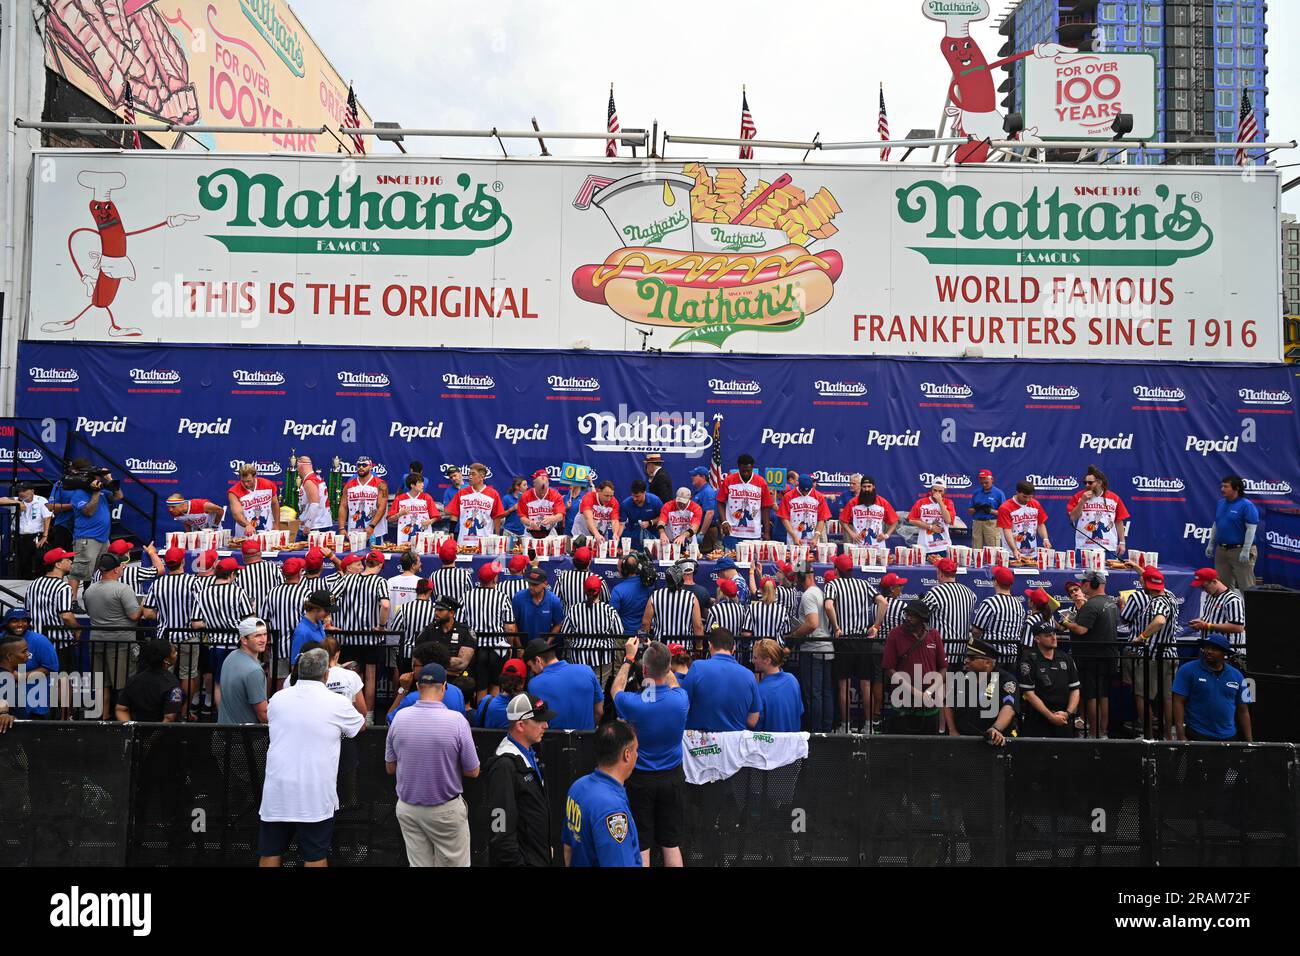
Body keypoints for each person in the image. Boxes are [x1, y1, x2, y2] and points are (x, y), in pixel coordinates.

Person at [258, 648, 365, 867]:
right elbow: (360, 725)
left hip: (278, 790)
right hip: (314, 793)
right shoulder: (337, 703)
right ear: (326, 675)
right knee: (315, 856)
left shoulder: (278, 699)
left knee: (270, 852)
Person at [385, 662, 480, 867]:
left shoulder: (399, 718)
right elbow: (473, 771)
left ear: (418, 686)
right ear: (444, 687)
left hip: (408, 808)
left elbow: (390, 767)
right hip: (444, 809)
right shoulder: (457, 721)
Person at [612, 639, 689, 867]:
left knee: (642, 844)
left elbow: (616, 689)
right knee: (671, 844)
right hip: (672, 778)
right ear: (668, 668)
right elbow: (673, 683)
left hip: (640, 779)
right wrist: (661, 656)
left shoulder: (633, 703)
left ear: (644, 670)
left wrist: (629, 658)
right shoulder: (680, 700)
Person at [485, 692, 555, 866]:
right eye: (539, 721)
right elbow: (500, 832)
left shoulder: (531, 753)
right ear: (521, 725)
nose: (546, 725)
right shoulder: (504, 766)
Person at [563, 720, 642, 867]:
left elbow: (568, 849)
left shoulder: (578, 787)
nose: (637, 755)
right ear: (627, 754)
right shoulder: (611, 809)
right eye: (636, 750)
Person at [1120, 566, 1181, 739]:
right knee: (1168, 697)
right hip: (1170, 654)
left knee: (1142, 695)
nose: (1140, 584)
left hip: (1152, 657)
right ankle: (1169, 736)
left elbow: (1160, 621)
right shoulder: (1171, 597)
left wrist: (1141, 636)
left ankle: (1149, 737)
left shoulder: (1157, 602)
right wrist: (1139, 569)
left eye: (1142, 582)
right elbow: (1151, 579)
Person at [1058, 570, 1118, 737]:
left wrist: (1066, 623)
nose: (1082, 586)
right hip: (1107, 656)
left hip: (1092, 658)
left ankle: (1093, 733)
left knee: (1091, 696)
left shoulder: (1091, 605)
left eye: (1085, 583)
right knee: (1103, 695)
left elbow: (1081, 629)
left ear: (1093, 584)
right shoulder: (1110, 602)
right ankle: (1102, 732)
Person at [824, 554, 879, 733]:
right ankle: (869, 725)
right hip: (863, 640)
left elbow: (829, 606)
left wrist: (836, 627)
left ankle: (845, 726)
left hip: (845, 640)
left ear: (836, 570)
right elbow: (883, 602)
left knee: (844, 684)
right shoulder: (863, 584)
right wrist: (875, 626)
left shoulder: (833, 584)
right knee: (865, 684)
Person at [84, 552, 143, 709]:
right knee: (123, 684)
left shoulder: (89, 590)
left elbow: (90, 613)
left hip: (96, 641)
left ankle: (102, 717)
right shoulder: (123, 589)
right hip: (120, 643)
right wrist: (144, 603)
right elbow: (134, 615)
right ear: (116, 570)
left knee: (101, 683)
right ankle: (121, 719)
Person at [881, 601, 949, 735]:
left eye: (913, 616)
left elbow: (943, 667)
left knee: (929, 749)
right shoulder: (895, 634)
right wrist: (915, 693)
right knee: (901, 749)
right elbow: (889, 668)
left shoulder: (933, 634)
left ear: (922, 618)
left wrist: (929, 692)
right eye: (907, 614)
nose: (908, 618)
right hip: (903, 702)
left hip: (929, 704)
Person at [1172, 634, 1253, 742]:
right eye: (1206, 647)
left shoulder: (1238, 675)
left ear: (1224, 653)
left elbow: (1243, 710)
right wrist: (1181, 735)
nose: (1209, 651)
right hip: (1197, 734)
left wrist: (1250, 741)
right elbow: (1178, 702)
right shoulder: (1186, 670)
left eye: (1214, 649)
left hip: (1229, 736)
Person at [679, 627, 761, 730]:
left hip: (702, 743)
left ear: (710, 645)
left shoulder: (697, 668)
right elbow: (752, 721)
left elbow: (682, 706)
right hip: (734, 742)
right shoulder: (749, 675)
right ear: (734, 648)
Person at [944, 637, 1018, 745]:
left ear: (987, 663)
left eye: (972, 658)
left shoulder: (1005, 680)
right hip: (962, 741)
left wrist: (995, 729)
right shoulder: (962, 676)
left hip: (990, 741)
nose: (966, 660)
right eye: (966, 656)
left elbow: (1009, 707)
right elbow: (948, 704)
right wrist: (952, 731)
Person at [68, 469, 123, 607]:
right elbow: (89, 511)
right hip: (86, 538)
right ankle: (72, 601)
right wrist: (96, 492)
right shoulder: (78, 494)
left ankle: (90, 595)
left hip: (103, 538)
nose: (99, 481)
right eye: (97, 478)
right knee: (79, 570)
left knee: (99, 569)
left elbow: (119, 496)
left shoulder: (103, 491)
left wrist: (110, 480)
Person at [1018, 620, 1081, 738]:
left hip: (1063, 718)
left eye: (1054, 634)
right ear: (1037, 639)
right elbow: (1029, 694)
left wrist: (1068, 713)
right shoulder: (1029, 660)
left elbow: (1075, 689)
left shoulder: (1065, 658)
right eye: (1048, 635)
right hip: (1038, 720)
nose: (1053, 638)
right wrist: (1051, 717)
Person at [461, 563, 516, 697]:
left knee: (480, 687)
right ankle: (491, 715)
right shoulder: (502, 597)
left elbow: (461, 623)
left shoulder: (467, 596)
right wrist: (510, 646)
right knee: (496, 686)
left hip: (476, 648)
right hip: (497, 648)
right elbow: (509, 627)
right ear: (494, 579)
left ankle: (480, 715)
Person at [524, 637, 603, 730]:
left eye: (531, 666)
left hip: (552, 740)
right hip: (586, 738)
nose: (532, 670)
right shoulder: (587, 671)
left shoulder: (534, 684)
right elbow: (599, 711)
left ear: (538, 660)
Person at [561, 574, 625, 682]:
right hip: (603, 657)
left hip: (579, 657)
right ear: (600, 591)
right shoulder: (609, 610)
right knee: (599, 691)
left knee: (581, 689)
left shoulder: (574, 609)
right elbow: (619, 633)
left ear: (584, 590)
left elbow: (565, 632)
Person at [3, 607, 59, 718]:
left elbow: (51, 668)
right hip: (6, 699)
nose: (20, 624)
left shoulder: (40, 641)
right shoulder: (2, 641)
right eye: (15, 621)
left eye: (24, 620)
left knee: (35, 733)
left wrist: (21, 676)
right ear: (7, 623)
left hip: (34, 701)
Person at [390, 642, 467, 721]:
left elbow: (390, 720)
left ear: (427, 667)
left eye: (415, 665)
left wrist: (403, 690)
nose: (412, 669)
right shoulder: (457, 692)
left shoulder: (414, 698)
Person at [1207, 475, 1260, 590]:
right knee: (1222, 588)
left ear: (1236, 488)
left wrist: (1246, 550)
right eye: (1222, 486)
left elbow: (1251, 529)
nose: (1222, 489)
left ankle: (1251, 608)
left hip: (1240, 551)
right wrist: (1211, 544)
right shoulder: (1220, 503)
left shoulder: (1247, 505)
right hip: (1222, 551)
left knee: (1247, 588)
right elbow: (1216, 524)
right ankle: (1228, 608)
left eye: (1226, 486)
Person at [921, 557, 977, 664]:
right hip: (961, 654)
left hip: (941, 653)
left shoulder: (936, 592)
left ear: (940, 574)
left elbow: (919, 612)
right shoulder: (969, 592)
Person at [115, 638, 184, 722]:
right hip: (161, 732)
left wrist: (130, 730)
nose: (176, 654)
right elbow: (169, 717)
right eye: (173, 652)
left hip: (137, 731)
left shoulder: (134, 680)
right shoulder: (172, 684)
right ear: (166, 660)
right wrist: (155, 734)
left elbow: (121, 709)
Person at [217, 617, 269, 725]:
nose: (263, 639)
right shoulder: (254, 671)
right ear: (244, 640)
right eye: (257, 636)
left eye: (265, 634)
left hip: (223, 732)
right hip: (244, 737)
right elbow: (263, 715)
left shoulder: (231, 656)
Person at [970, 566, 1027, 661]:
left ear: (995, 582)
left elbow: (976, 631)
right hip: (1012, 657)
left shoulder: (990, 603)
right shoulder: (1019, 605)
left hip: (992, 658)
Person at [1068, 467, 1129, 556]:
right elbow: (1073, 517)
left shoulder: (1114, 498)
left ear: (1100, 482)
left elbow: (1119, 521)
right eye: (1085, 482)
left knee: (1109, 570)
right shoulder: (1078, 496)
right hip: (1085, 548)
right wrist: (1082, 501)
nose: (1087, 485)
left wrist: (1122, 542)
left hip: (1108, 548)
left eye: (1090, 483)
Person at [717, 453, 774, 546]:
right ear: (739, 467)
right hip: (732, 532)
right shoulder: (729, 480)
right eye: (743, 471)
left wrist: (767, 532)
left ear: (752, 467)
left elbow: (766, 508)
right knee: (731, 558)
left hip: (754, 533)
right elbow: (720, 502)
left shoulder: (761, 482)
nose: (746, 473)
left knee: (751, 560)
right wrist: (724, 521)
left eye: (748, 471)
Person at [1187, 567, 1247, 654]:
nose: (1203, 590)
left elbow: (1238, 627)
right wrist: (1201, 621)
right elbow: (1212, 618)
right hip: (1209, 650)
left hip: (1226, 653)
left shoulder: (1232, 600)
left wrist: (1207, 625)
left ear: (1214, 581)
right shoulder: (1210, 596)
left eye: (1204, 586)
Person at [445, 463, 505, 545]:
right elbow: (454, 514)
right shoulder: (461, 493)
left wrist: (497, 536)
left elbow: (497, 517)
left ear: (482, 477)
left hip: (484, 542)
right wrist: (451, 531)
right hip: (464, 542)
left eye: (473, 474)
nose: (470, 477)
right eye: (469, 474)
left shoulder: (493, 494)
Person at [640, 563, 703, 641]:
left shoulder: (655, 595)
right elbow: (698, 626)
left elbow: (645, 623)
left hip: (660, 646)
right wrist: (699, 646)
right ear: (681, 579)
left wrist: (645, 641)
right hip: (683, 647)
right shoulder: (691, 597)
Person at [0, 483, 51, 578]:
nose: (21, 493)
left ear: (32, 491)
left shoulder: (40, 500)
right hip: (20, 537)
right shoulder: (16, 500)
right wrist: (17, 503)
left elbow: (47, 518)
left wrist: (45, 536)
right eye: (19, 491)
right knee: (22, 563)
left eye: (24, 490)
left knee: (40, 561)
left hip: (36, 536)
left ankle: (40, 581)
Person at [753, 639, 803, 732]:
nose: (752, 661)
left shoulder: (760, 690)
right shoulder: (792, 680)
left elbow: (756, 725)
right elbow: (799, 711)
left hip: (771, 743)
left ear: (767, 660)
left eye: (755, 658)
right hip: (793, 742)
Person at [339, 456, 390, 546]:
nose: (361, 467)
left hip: (375, 531)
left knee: (374, 558)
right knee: (354, 558)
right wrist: (341, 528)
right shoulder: (349, 485)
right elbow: (343, 507)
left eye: (364, 465)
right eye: (359, 465)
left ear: (370, 467)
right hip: (355, 532)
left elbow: (382, 507)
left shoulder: (381, 484)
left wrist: (372, 526)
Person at [997, 480, 1052, 560]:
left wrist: (1045, 539)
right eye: (1025, 497)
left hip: (1032, 555)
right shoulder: (1005, 508)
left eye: (1030, 497)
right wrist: (1014, 550)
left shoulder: (1035, 504)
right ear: (1017, 492)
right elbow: (1007, 531)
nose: (1028, 500)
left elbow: (1040, 524)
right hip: (1012, 554)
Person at [839, 475, 899, 548]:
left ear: (873, 487)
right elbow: (842, 520)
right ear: (861, 487)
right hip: (859, 546)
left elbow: (895, 521)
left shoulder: (883, 502)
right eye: (864, 487)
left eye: (869, 486)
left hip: (878, 546)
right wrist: (852, 534)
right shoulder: (853, 502)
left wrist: (886, 535)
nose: (866, 489)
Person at [510, 567, 565, 645]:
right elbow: (513, 623)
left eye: (535, 584)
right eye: (529, 583)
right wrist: (519, 647)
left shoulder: (554, 600)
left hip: (544, 646)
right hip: (523, 644)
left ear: (545, 584)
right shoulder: (519, 597)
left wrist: (547, 644)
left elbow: (558, 624)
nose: (531, 587)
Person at [908, 478, 957, 557]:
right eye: (935, 490)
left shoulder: (948, 503)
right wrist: (930, 527)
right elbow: (912, 520)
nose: (937, 493)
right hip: (924, 546)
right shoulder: (921, 502)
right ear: (931, 490)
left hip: (943, 546)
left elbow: (948, 520)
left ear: (945, 491)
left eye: (940, 491)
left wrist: (940, 502)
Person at [228, 463, 279, 537]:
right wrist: (247, 525)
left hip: (267, 532)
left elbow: (274, 504)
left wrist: (276, 524)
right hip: (244, 534)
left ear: (255, 476)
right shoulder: (234, 492)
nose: (245, 484)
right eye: (243, 481)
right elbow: (237, 513)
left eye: (248, 481)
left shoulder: (268, 485)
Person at [778, 474, 831, 545]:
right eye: (803, 490)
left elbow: (822, 519)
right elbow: (784, 518)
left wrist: (816, 537)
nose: (805, 493)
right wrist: (794, 536)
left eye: (808, 490)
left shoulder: (819, 497)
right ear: (798, 485)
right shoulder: (788, 496)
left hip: (812, 542)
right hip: (793, 541)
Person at [389, 472, 439, 546]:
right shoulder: (400, 499)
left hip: (424, 539)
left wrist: (430, 521)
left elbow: (436, 516)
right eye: (420, 482)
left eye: (423, 482)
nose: (423, 485)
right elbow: (390, 519)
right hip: (404, 541)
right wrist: (400, 514)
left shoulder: (427, 497)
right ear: (412, 485)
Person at [610, 552, 654, 636]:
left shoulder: (617, 590)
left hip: (624, 636)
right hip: (642, 635)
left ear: (624, 570)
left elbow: (612, 616)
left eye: (619, 569)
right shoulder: (648, 587)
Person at [476, 658, 528, 729]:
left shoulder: (486, 702)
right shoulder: (527, 707)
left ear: (501, 680)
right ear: (522, 683)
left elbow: (477, 726)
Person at [517, 469, 568, 538]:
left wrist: (553, 518)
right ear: (534, 484)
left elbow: (560, 515)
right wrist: (530, 523)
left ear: (548, 484)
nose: (542, 493)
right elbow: (522, 516)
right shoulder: (525, 496)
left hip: (550, 533)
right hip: (530, 533)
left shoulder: (555, 495)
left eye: (544, 491)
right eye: (539, 490)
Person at [235, 539, 281, 613]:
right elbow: (281, 589)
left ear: (243, 556)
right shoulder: (273, 568)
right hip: (270, 616)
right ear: (260, 553)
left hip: (248, 618)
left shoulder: (238, 573)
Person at [291, 589, 336, 663]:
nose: (328, 614)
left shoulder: (319, 623)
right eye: (326, 611)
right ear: (316, 609)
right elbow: (295, 665)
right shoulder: (302, 632)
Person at [573, 480, 624, 545]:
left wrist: (615, 534)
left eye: (611, 496)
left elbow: (615, 521)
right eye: (606, 495)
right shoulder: (588, 497)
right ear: (599, 491)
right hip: (581, 533)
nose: (609, 499)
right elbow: (588, 518)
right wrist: (596, 534)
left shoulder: (614, 502)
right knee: (583, 554)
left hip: (600, 535)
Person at [619, 480, 664, 550]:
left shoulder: (655, 501)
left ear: (644, 493)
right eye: (633, 496)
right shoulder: (626, 504)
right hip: (633, 536)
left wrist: (650, 522)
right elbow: (621, 524)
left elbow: (663, 518)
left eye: (637, 496)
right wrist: (617, 538)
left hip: (653, 535)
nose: (634, 498)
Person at [294, 455, 332, 536]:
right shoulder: (317, 478)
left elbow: (314, 504)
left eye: (297, 466)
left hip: (314, 526)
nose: (297, 470)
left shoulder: (309, 481)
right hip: (321, 523)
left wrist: (308, 525)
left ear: (300, 466)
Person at [968, 470, 1005, 550]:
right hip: (977, 522)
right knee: (976, 548)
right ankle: (976, 562)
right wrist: (976, 508)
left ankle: (994, 562)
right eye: (982, 483)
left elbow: (1004, 514)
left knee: (993, 549)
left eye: (986, 482)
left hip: (991, 523)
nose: (984, 485)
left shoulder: (999, 493)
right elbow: (970, 511)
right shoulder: (976, 493)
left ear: (992, 479)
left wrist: (990, 511)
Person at [428, 538, 473, 605]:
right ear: (455, 557)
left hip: (440, 613)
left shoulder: (433, 576)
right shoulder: (464, 575)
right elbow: (470, 596)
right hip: (460, 614)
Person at [689, 466, 719, 551]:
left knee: (704, 557)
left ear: (703, 477)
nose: (692, 477)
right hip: (699, 528)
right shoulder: (700, 491)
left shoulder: (707, 492)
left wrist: (702, 533)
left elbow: (710, 513)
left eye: (695, 475)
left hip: (707, 531)